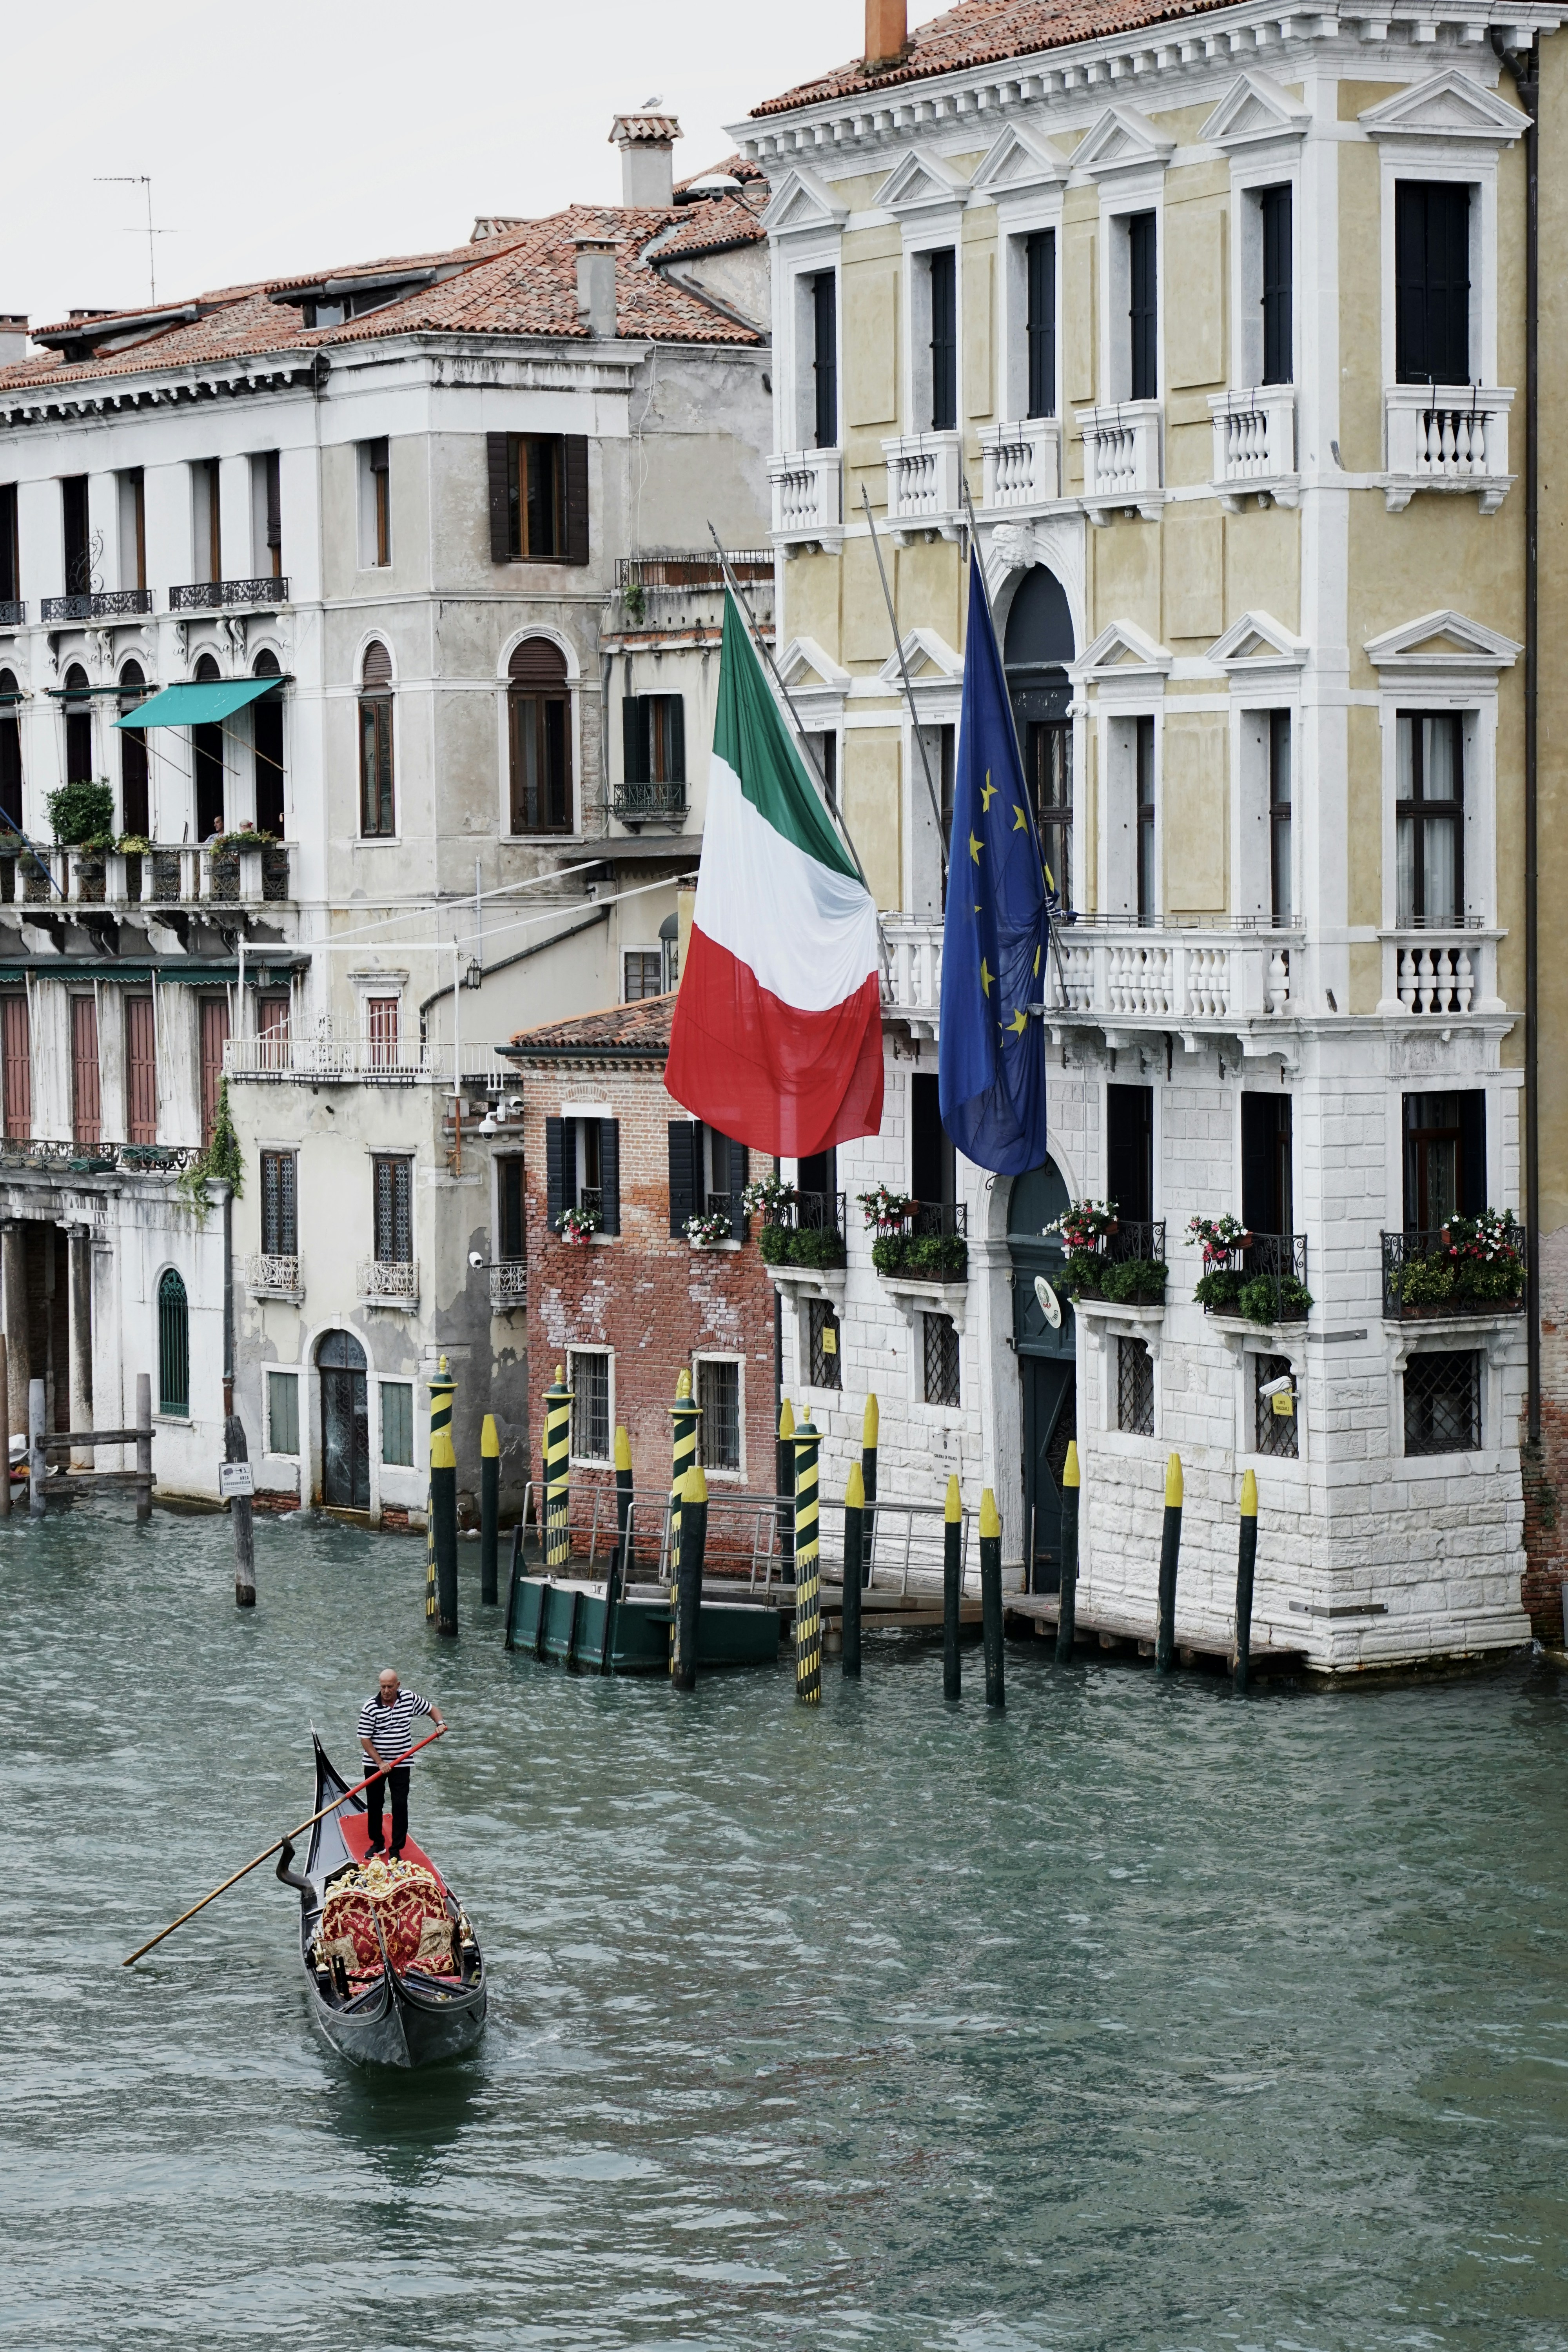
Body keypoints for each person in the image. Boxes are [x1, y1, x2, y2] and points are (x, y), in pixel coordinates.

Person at [357, 1670, 446, 1859]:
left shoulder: (409, 1699)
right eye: (383, 1687)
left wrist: (440, 1723)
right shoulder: (371, 1707)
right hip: (375, 1763)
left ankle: (396, 1850)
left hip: (402, 1761)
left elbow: (432, 1709)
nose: (386, 1691)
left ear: (398, 1685)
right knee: (375, 1804)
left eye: (390, 1687)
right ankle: (378, 1844)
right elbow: (365, 1739)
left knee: (400, 1805)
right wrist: (380, 1762)